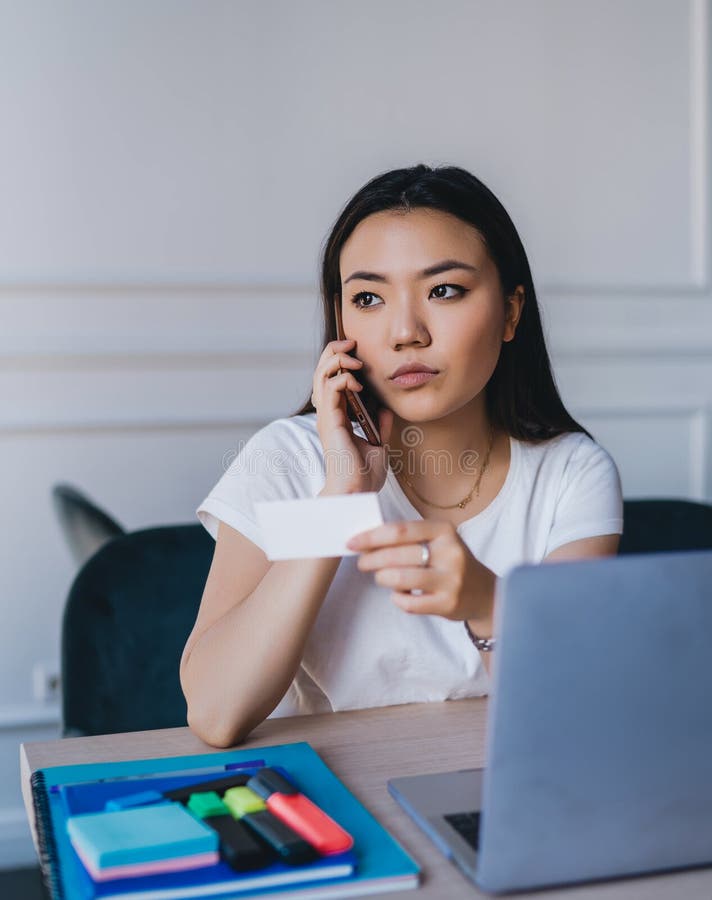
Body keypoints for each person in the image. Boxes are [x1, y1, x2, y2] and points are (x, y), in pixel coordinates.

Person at [180, 164, 623, 748]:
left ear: (512, 311)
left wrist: (489, 602)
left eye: (444, 290)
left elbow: (573, 720)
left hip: (490, 803)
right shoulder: (286, 459)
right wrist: (342, 496)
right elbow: (215, 713)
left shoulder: (572, 473)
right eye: (368, 298)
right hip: (330, 812)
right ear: (341, 323)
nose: (405, 331)